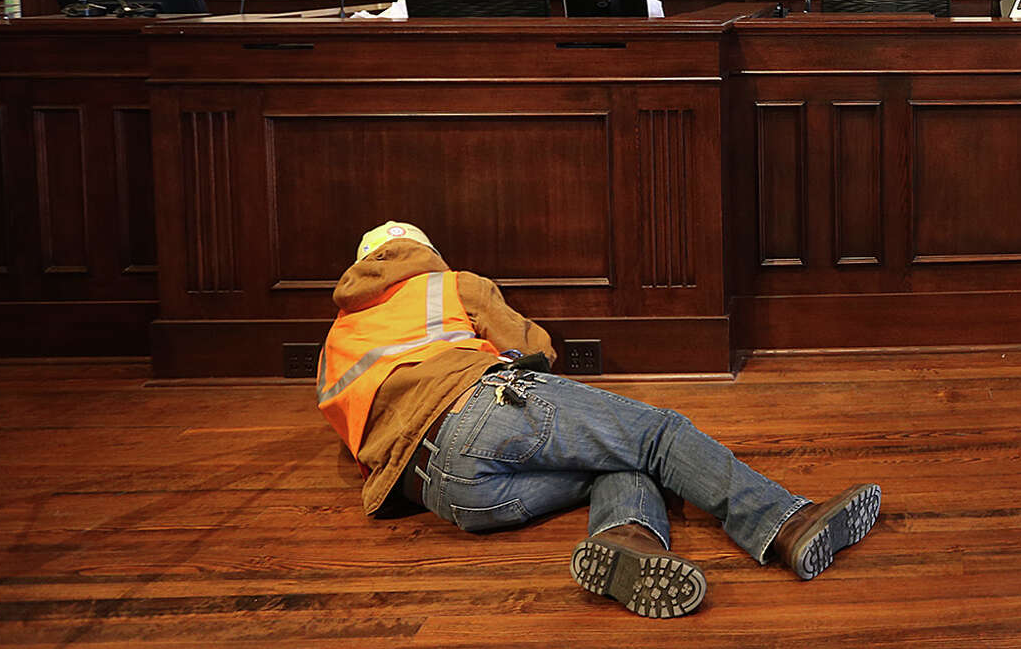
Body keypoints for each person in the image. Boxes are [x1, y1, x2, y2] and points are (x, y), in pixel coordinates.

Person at [315, 221, 880, 619]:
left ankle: (626, 542)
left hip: (448, 497)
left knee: (619, 462)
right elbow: (531, 347)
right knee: (657, 436)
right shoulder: (447, 283)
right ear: (422, 252)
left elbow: (358, 438)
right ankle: (784, 523)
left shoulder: (335, 343)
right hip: (482, 407)